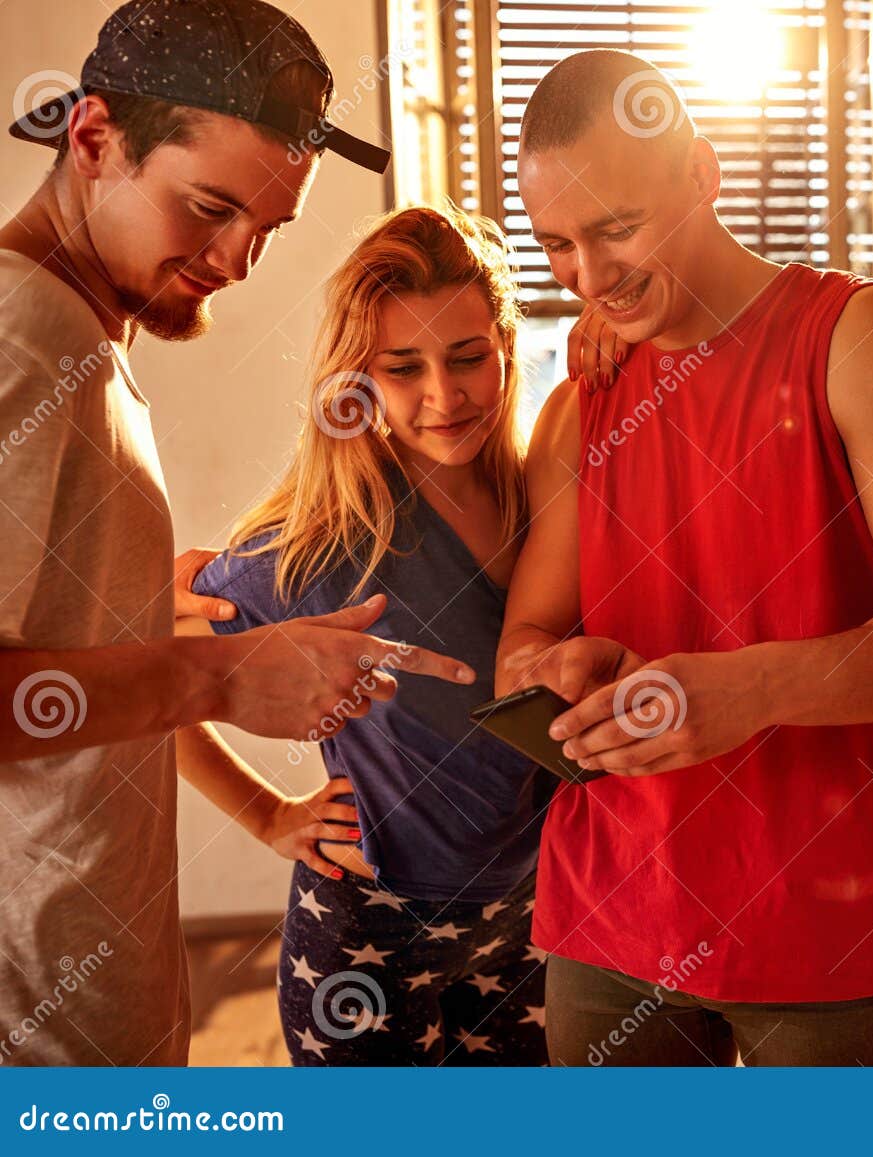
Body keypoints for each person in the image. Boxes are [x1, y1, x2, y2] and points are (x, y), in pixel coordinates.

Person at [495, 49, 873, 1067]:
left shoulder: (866, 341)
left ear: (704, 172)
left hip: (836, 935)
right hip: (607, 921)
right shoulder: (577, 404)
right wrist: (553, 671)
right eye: (556, 244)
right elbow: (527, 637)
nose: (590, 280)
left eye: (615, 228)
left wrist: (750, 688)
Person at [0, 0, 470, 1066]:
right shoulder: (20, 331)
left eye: (267, 226)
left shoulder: (77, 339)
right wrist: (216, 678)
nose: (238, 260)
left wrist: (122, 609)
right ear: (93, 139)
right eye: (209, 208)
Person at [181, 205, 556, 1065]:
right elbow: (151, 661)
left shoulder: (551, 505)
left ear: (505, 343)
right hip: (366, 944)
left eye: (469, 357)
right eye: (403, 368)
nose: (444, 393)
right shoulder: (320, 544)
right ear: (357, 380)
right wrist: (269, 813)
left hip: (534, 930)